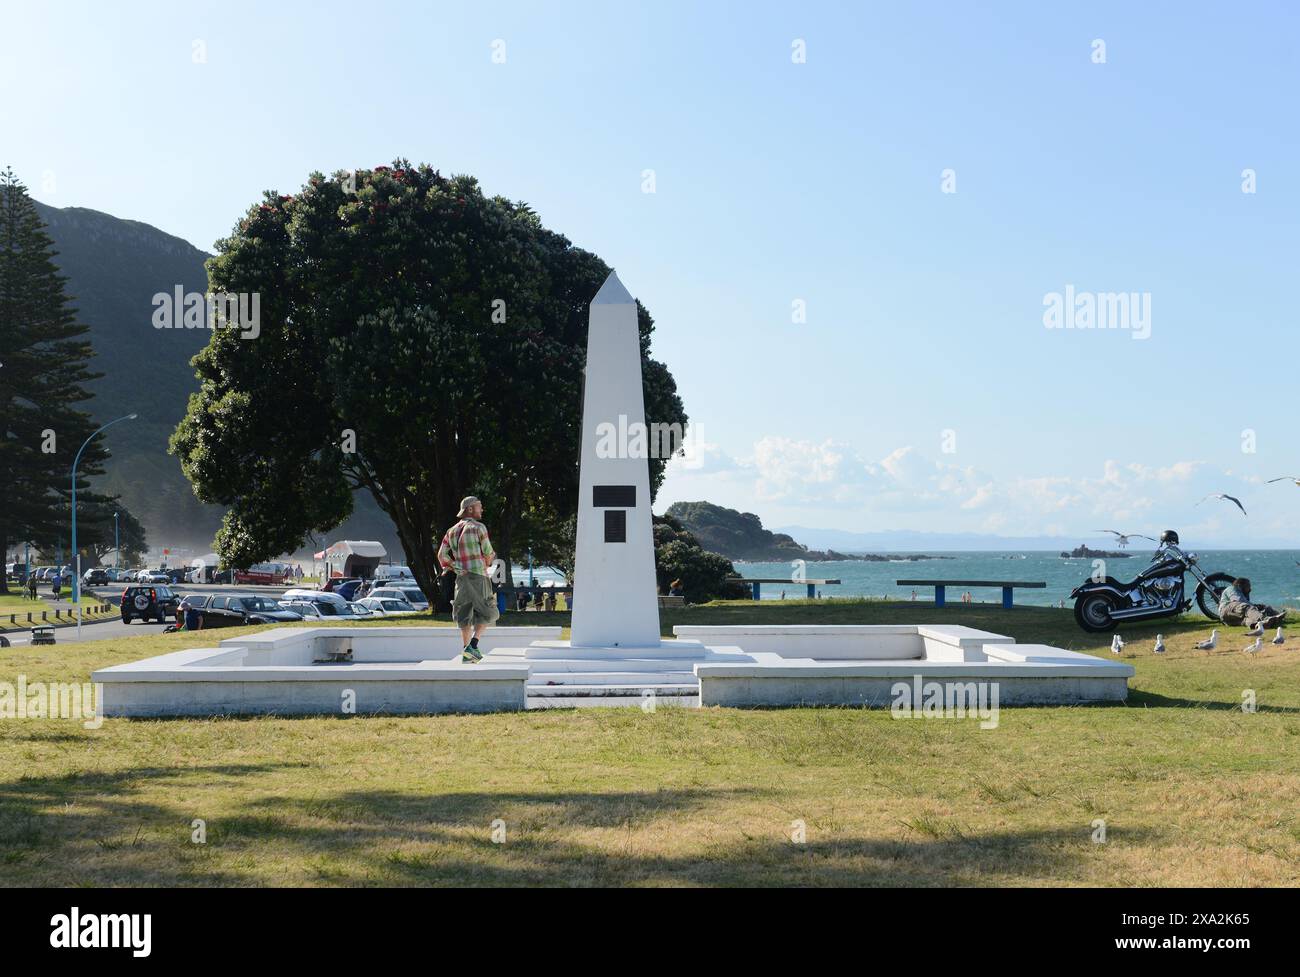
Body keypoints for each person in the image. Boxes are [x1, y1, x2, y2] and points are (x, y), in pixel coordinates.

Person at [437, 495, 500, 663]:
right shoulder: (479, 527)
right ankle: (473, 644)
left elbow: (441, 555)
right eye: (479, 507)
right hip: (478, 575)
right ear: (470, 509)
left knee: (463, 614)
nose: (482, 509)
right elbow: (488, 553)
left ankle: (467, 654)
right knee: (489, 611)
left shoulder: (451, 530)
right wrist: (489, 560)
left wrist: (456, 567)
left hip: (461, 578)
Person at [1218, 578, 1286, 630]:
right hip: (1226, 609)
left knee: (1246, 620)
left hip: (1228, 620)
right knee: (1247, 607)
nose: (1250, 589)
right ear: (1239, 585)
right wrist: (1256, 606)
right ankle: (1264, 619)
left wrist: (1258, 607)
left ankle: (1260, 625)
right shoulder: (1232, 588)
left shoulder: (1241, 593)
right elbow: (1238, 600)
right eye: (1248, 586)